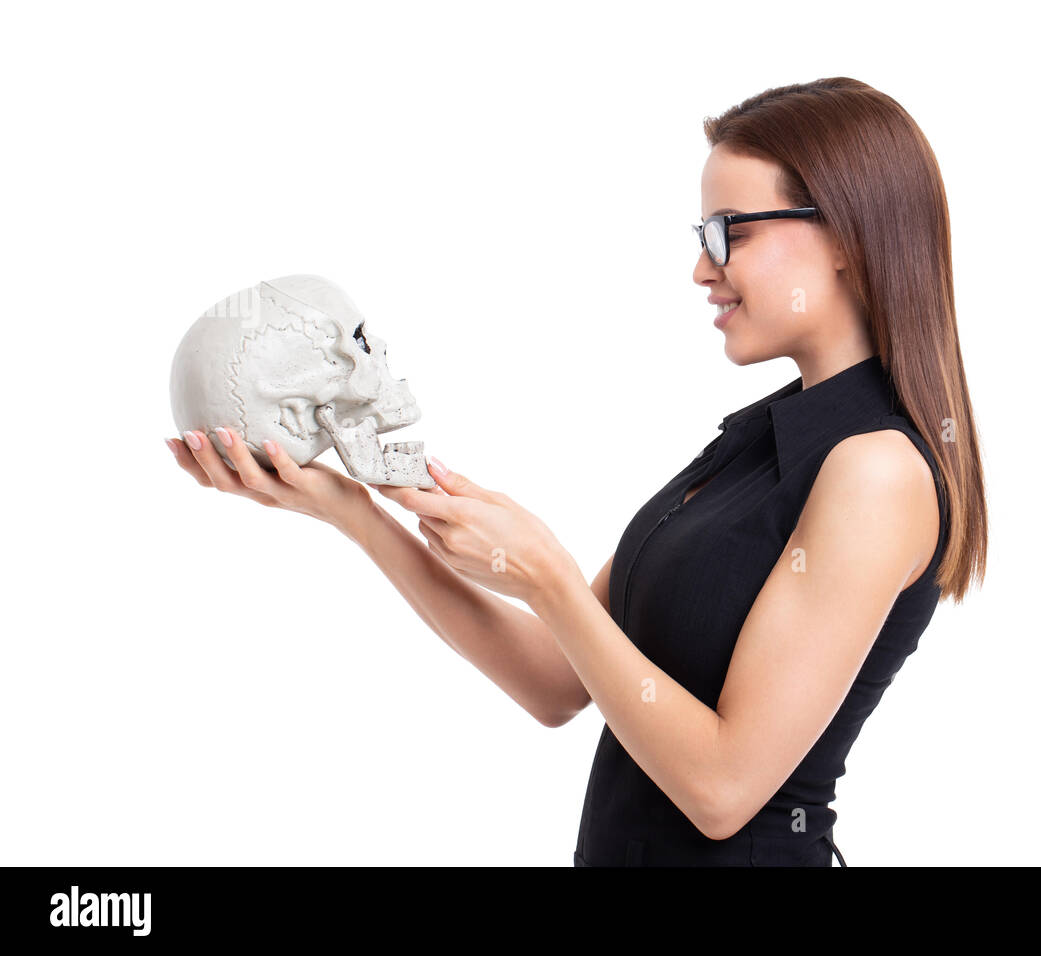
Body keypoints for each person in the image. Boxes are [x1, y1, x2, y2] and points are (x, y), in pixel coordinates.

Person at [165, 76, 987, 866]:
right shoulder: (757, 440)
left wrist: (548, 575)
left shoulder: (877, 471)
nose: (702, 269)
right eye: (700, 236)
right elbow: (555, 682)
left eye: (728, 230)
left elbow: (723, 789)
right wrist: (354, 512)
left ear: (844, 234)